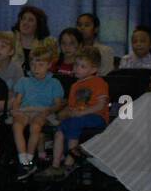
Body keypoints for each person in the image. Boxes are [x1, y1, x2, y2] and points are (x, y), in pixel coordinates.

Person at [38, 45, 109, 179]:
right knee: (60, 130)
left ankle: (70, 163)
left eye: (82, 66)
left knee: (74, 123)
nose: (76, 68)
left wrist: (83, 113)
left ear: (93, 69)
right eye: (76, 65)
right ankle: (56, 165)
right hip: (78, 118)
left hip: (97, 117)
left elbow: (101, 105)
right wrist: (65, 114)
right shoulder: (75, 86)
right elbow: (72, 107)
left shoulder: (98, 82)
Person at [11, 44, 65, 179]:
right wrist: (15, 110)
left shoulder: (54, 83)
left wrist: (48, 111)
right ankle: (23, 159)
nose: (35, 68)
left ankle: (29, 159)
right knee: (17, 126)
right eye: (33, 64)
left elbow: (58, 104)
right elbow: (18, 99)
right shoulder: (24, 81)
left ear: (49, 65)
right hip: (25, 111)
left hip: (42, 112)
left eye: (40, 64)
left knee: (36, 127)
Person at [0, 31, 23, 113]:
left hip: (9, 103)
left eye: (3, 46)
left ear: (11, 51)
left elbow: (20, 92)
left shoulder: (16, 68)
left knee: (15, 102)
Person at [12, 5, 53, 74]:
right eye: (23, 19)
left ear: (38, 24)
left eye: (30, 20)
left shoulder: (48, 44)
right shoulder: (9, 40)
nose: (25, 23)